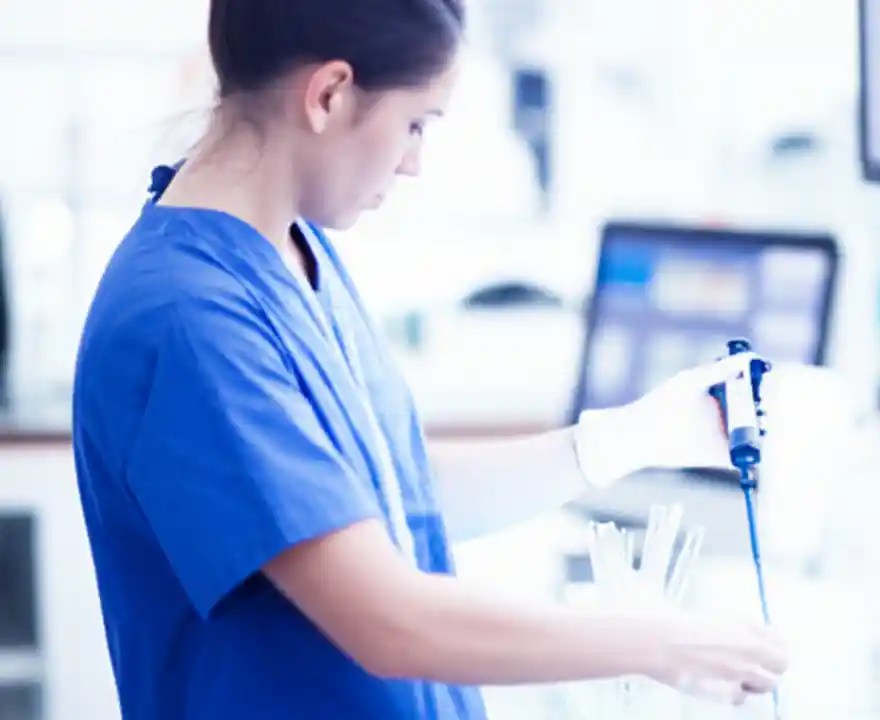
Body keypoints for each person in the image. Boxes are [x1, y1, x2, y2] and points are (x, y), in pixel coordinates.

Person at [70, 1, 788, 719]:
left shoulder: (294, 252)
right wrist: (662, 643)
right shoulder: (188, 321)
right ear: (328, 95)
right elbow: (389, 622)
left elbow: (387, 495)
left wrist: (628, 439)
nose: (413, 161)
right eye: (417, 123)